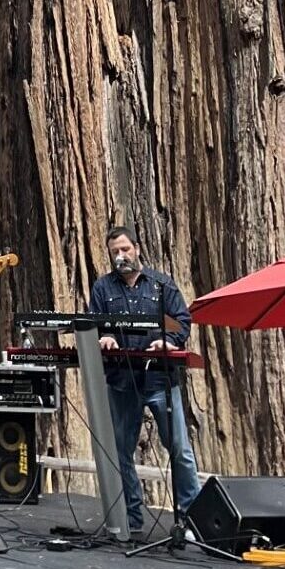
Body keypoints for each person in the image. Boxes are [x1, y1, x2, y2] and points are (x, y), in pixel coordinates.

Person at [88, 226, 197, 534]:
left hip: (160, 381)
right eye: (114, 252)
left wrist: (171, 341)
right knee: (121, 452)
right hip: (123, 380)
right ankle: (132, 520)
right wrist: (105, 336)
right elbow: (95, 323)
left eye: (125, 249)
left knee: (180, 450)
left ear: (136, 248)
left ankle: (191, 518)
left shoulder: (161, 285)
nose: (121, 256)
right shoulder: (103, 289)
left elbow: (182, 320)